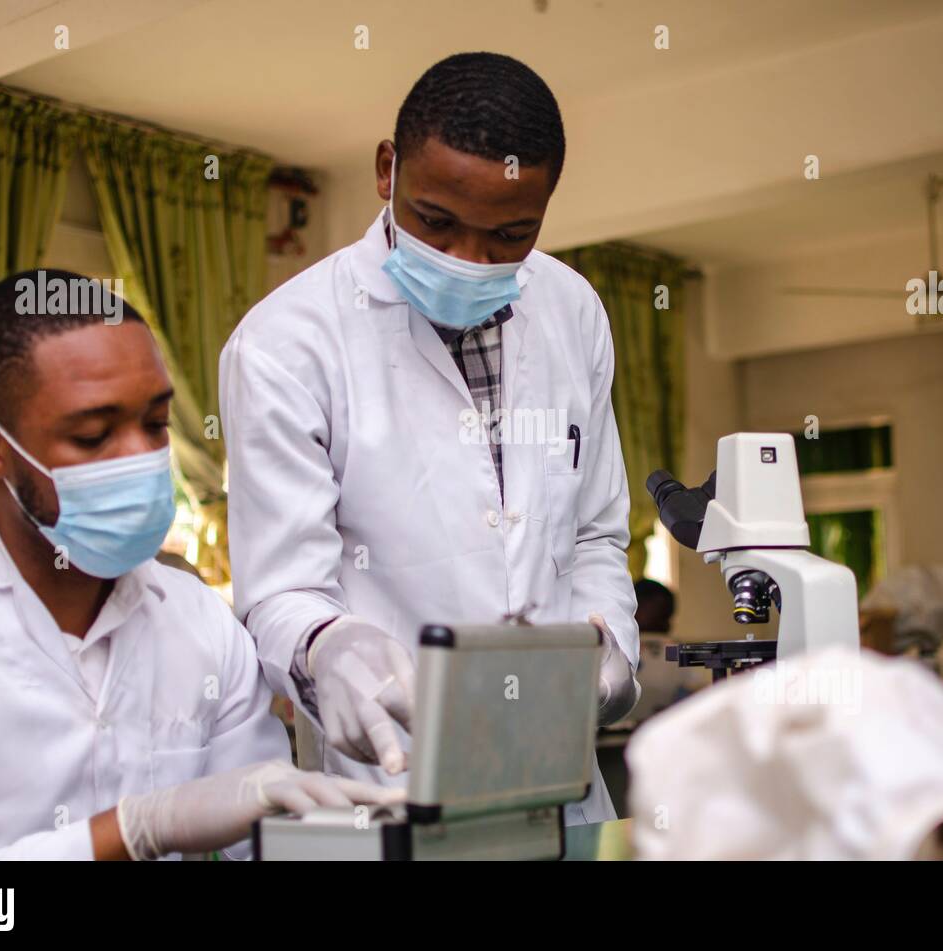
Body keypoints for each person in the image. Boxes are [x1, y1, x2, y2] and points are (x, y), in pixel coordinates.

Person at [221, 52, 639, 825]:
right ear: (387, 169)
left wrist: (609, 644)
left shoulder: (573, 309)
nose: (468, 260)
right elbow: (280, 590)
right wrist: (325, 646)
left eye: (511, 234)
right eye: (437, 221)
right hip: (388, 782)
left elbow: (594, 535)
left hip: (565, 787)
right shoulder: (287, 343)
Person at [0, 271, 399, 859]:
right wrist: (128, 831)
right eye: (93, 436)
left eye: (155, 425)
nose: (141, 459)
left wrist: (383, 837)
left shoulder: (197, 621)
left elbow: (267, 841)